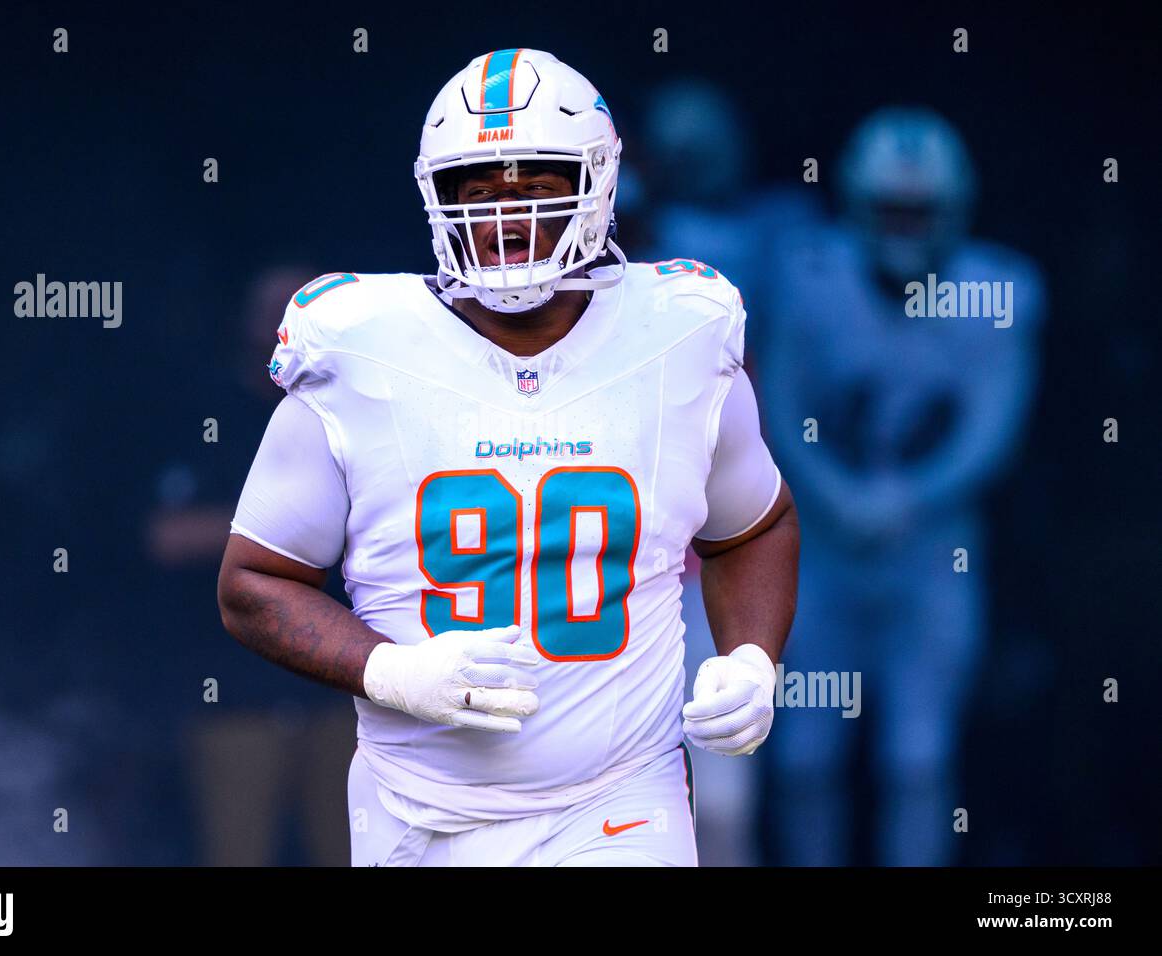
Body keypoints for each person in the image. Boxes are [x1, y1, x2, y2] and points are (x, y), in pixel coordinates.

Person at [217, 49, 798, 867]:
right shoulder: (357, 348)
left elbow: (752, 527)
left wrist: (750, 658)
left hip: (622, 799)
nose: (506, 219)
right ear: (436, 198)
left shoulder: (680, 334)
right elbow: (253, 583)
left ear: (595, 186)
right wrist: (388, 670)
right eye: (479, 193)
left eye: (535, 190)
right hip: (418, 811)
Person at [757, 107, 1045, 865]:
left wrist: (909, 498)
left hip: (932, 554)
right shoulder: (808, 276)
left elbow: (994, 424)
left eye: (921, 212)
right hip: (822, 552)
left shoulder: (1002, 291)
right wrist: (832, 494)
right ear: (855, 204)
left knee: (917, 761)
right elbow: (779, 406)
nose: (905, 228)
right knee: (803, 760)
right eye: (891, 210)